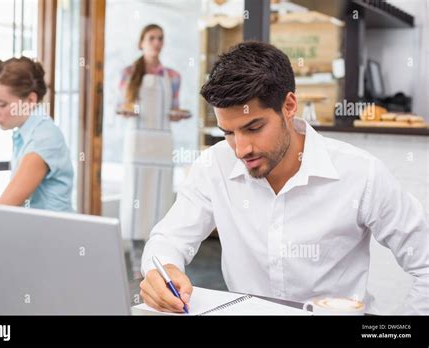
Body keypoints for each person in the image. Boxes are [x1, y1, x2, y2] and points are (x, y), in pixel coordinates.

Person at [138, 42, 429, 314]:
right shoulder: (213, 166)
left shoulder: (360, 174)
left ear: (289, 106)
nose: (240, 149)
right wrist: (163, 270)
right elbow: (168, 239)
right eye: (228, 133)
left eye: (253, 127)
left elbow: (425, 264)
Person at [0, 57, 74, 212]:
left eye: (1, 104)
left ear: (30, 100)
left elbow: (3, 211)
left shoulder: (44, 140)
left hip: (53, 233)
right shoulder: (27, 133)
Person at [116, 24, 190, 240]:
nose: (156, 42)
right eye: (151, 38)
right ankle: (130, 247)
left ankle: (159, 242)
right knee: (134, 191)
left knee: (160, 193)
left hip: (162, 142)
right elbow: (122, 106)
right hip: (137, 141)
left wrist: (177, 114)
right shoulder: (128, 73)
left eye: (160, 38)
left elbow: (173, 109)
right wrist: (127, 111)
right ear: (141, 43)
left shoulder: (173, 76)